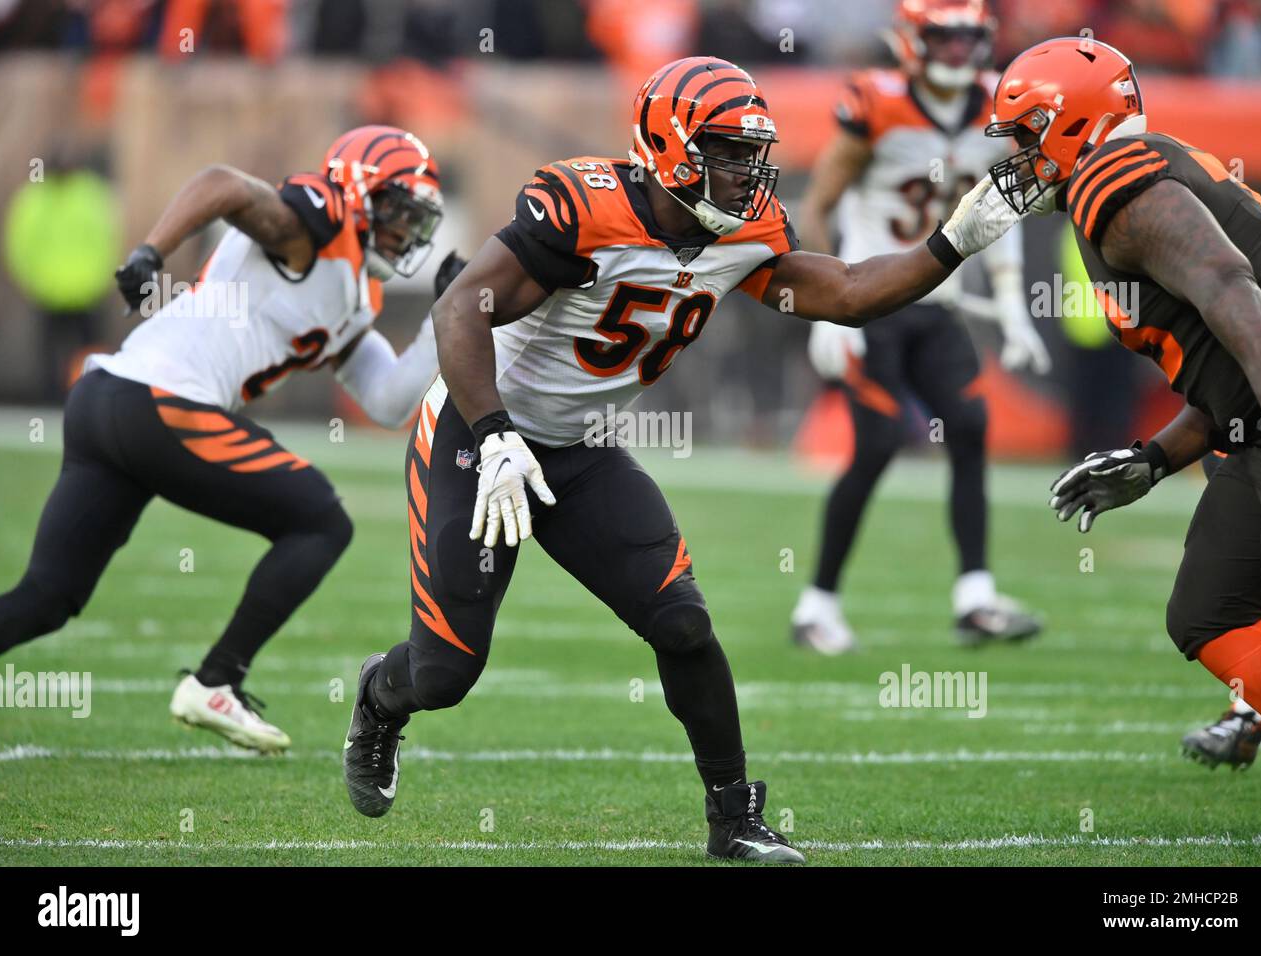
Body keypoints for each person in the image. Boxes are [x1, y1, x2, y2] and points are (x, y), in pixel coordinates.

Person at [340, 57, 1024, 863]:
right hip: (476, 436)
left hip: (583, 451)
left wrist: (952, 244)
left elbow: (845, 290)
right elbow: (464, 307)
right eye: (728, 151)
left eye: (751, 152)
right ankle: (379, 700)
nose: (747, 173)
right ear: (668, 146)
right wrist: (493, 433)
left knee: (684, 624)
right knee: (446, 672)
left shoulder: (747, 231)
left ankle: (733, 817)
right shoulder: (584, 208)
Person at [0, 126, 449, 753]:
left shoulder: (355, 290)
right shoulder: (317, 222)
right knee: (321, 520)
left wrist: (443, 320)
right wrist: (152, 250)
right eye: (398, 210)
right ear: (358, 193)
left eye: (414, 219)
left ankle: (216, 681)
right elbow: (223, 184)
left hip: (106, 403)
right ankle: (217, 681)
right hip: (159, 402)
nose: (405, 231)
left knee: (45, 599)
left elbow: (391, 400)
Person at [998, 40, 1261, 744]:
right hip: (1258, 423)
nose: (1016, 159)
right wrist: (1155, 459)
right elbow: (1227, 370)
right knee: (1207, 610)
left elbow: (1226, 280)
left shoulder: (1110, 178)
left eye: (1027, 134)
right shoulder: (1125, 176)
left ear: (1077, 125)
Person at [792, 0, 1046, 654]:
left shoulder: (998, 108)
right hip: (872, 297)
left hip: (935, 304)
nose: (959, 52)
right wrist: (827, 306)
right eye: (944, 37)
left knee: (968, 428)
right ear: (910, 40)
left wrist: (1015, 306)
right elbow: (816, 206)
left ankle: (976, 598)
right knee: (876, 443)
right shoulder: (875, 103)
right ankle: (816, 604)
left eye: (969, 38)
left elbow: (1000, 210)